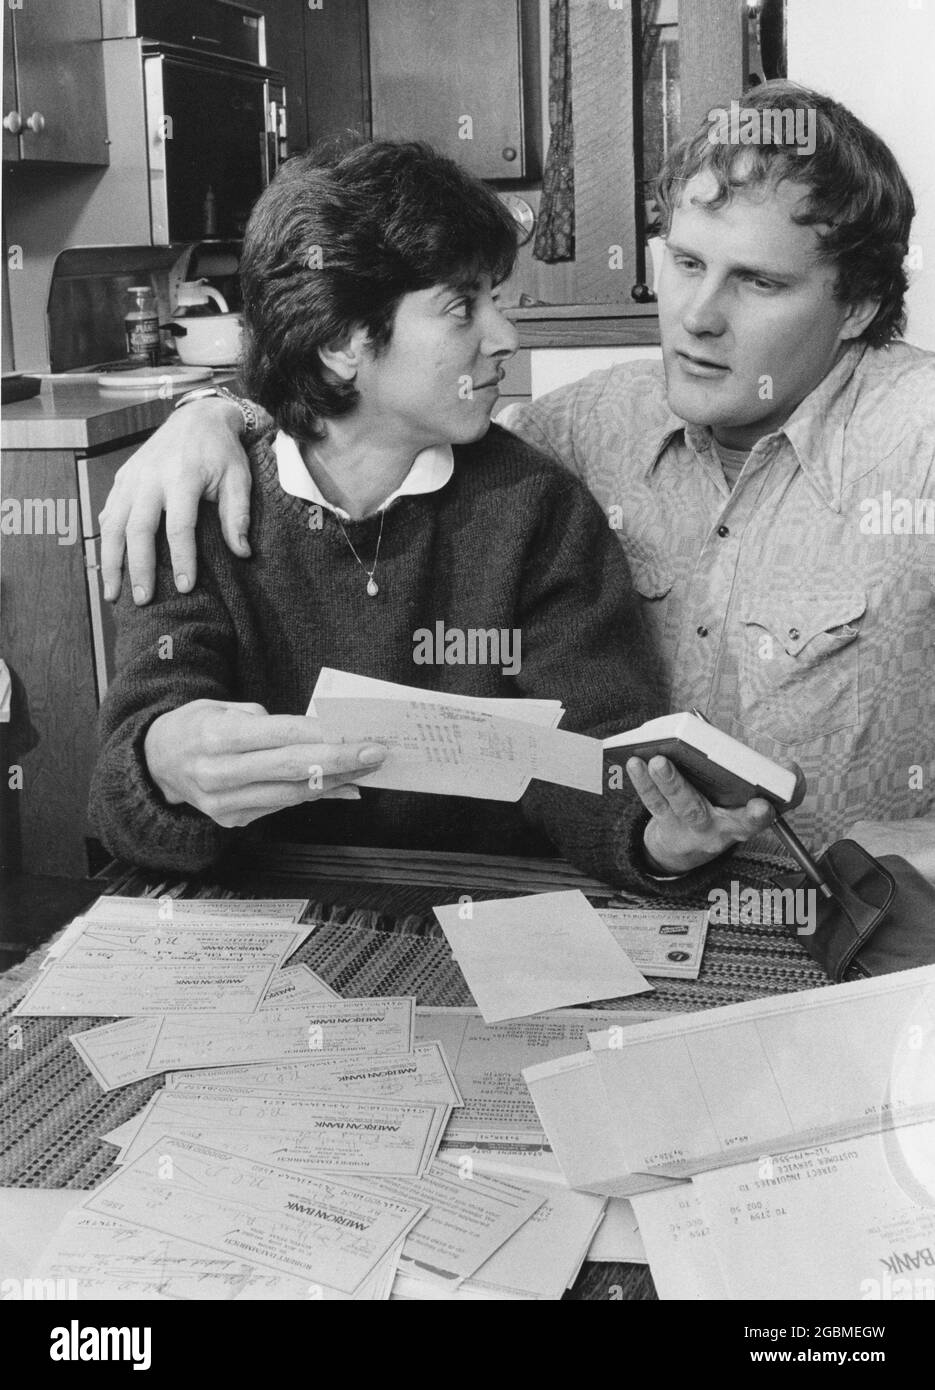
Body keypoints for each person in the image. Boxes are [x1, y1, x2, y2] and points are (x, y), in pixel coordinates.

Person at [99, 82, 934, 857]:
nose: (698, 317)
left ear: (856, 304)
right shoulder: (577, 431)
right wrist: (211, 414)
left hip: (866, 925)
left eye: (756, 281)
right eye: (684, 264)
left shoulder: (918, 440)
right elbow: (352, 403)